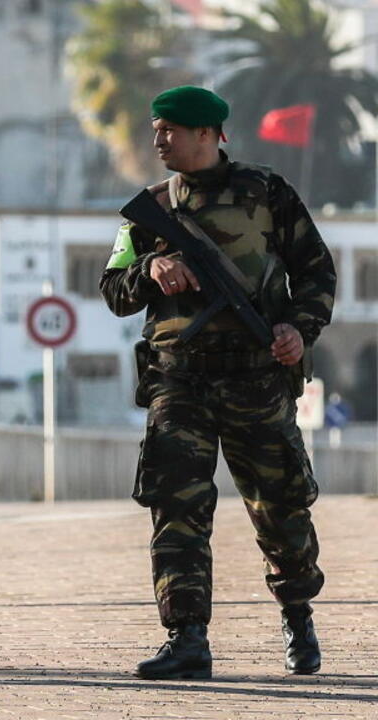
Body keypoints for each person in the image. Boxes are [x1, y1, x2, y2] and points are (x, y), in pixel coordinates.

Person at [101, 86, 335, 680]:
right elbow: (114, 290)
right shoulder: (150, 208)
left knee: (280, 508)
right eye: (156, 129)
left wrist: (297, 331)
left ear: (207, 133)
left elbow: (317, 271)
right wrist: (151, 269)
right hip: (179, 382)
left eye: (168, 130)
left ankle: (298, 613)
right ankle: (187, 638)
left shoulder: (266, 192)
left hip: (256, 378)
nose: (157, 140)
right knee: (175, 509)